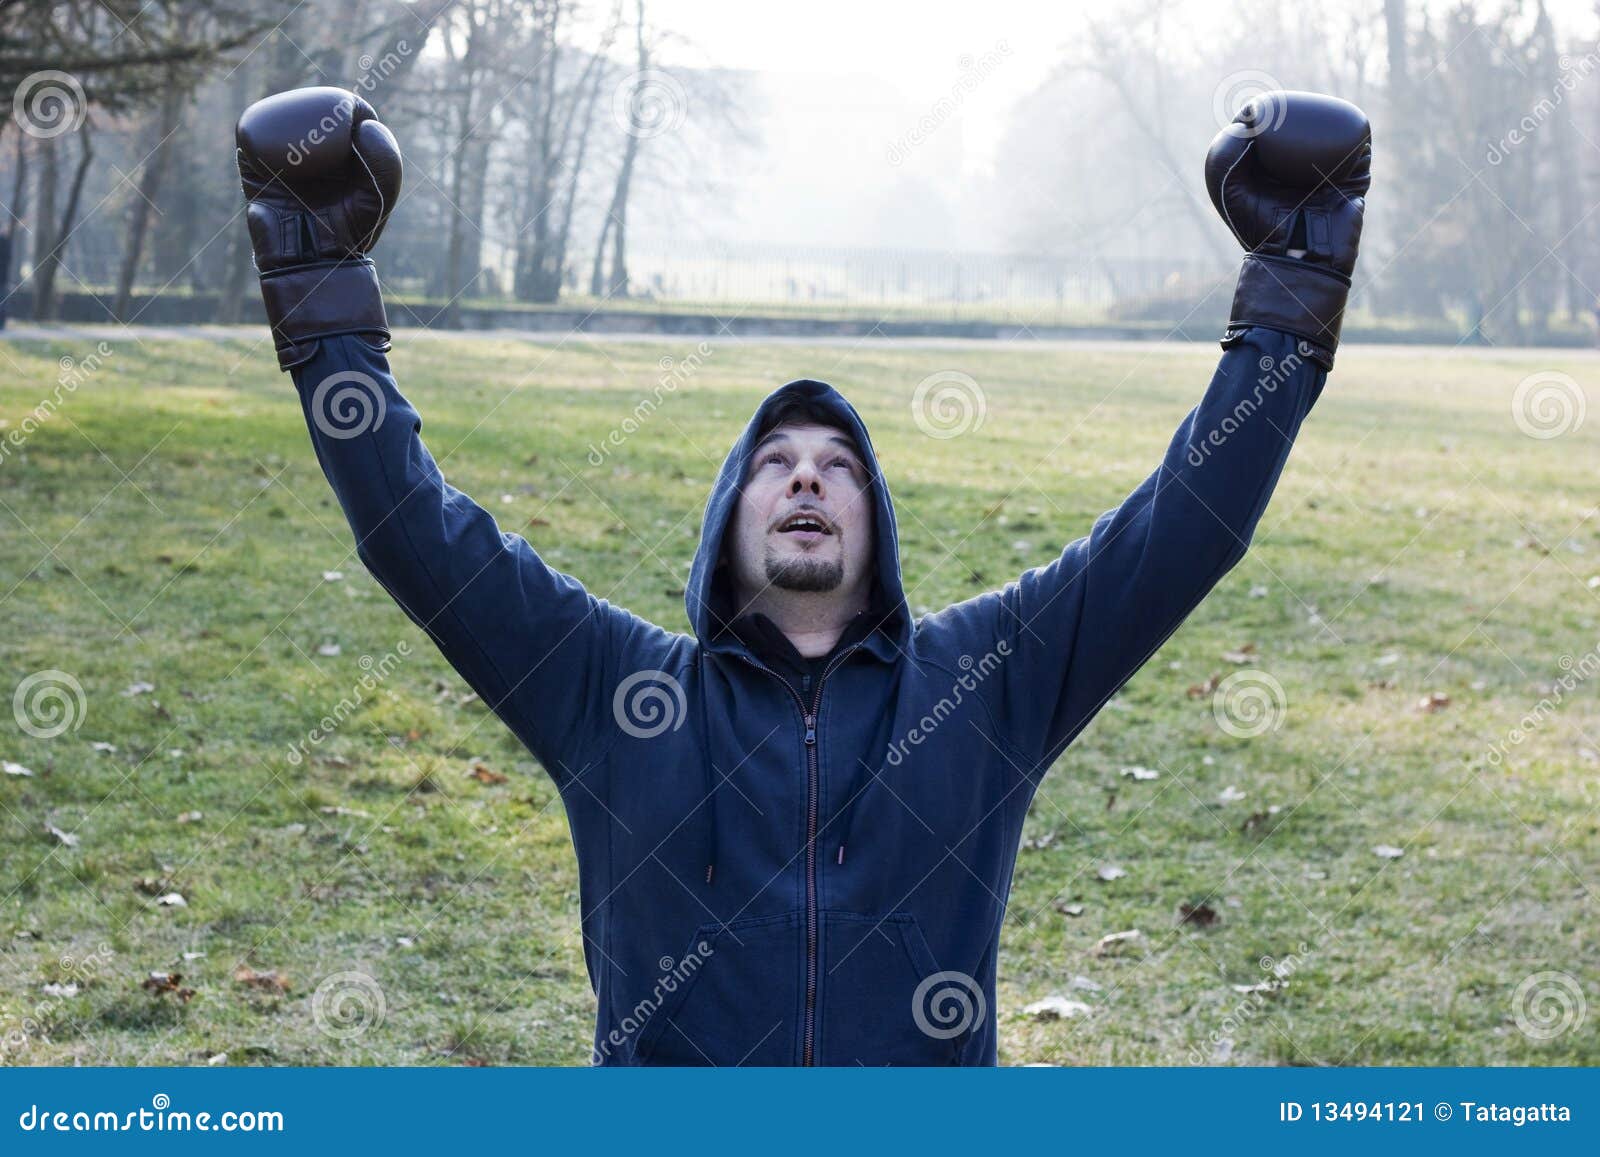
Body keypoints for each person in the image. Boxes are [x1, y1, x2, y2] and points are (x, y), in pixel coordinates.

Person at [234, 86, 1370, 1065]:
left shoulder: (987, 682)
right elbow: (415, 533)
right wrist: (322, 292)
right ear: (726, 521)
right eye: (773, 463)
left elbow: (1184, 531)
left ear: (877, 521)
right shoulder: (611, 691)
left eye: (840, 465)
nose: (807, 478)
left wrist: (1290, 291)